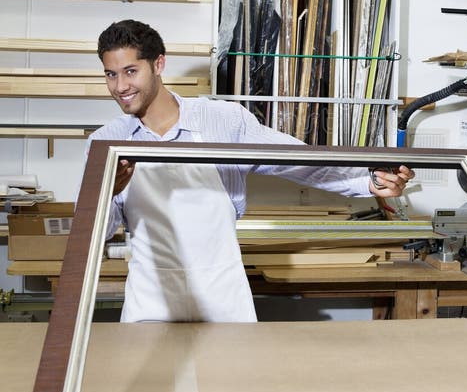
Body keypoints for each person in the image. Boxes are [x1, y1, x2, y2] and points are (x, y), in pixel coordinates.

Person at [84, 19, 414, 323]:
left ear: (158, 64)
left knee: (231, 387)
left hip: (222, 301)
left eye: (130, 71)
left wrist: (367, 181)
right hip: (150, 304)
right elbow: (90, 236)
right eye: (111, 74)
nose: (120, 86)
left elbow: (297, 161)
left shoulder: (221, 122)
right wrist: (106, 193)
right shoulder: (107, 141)